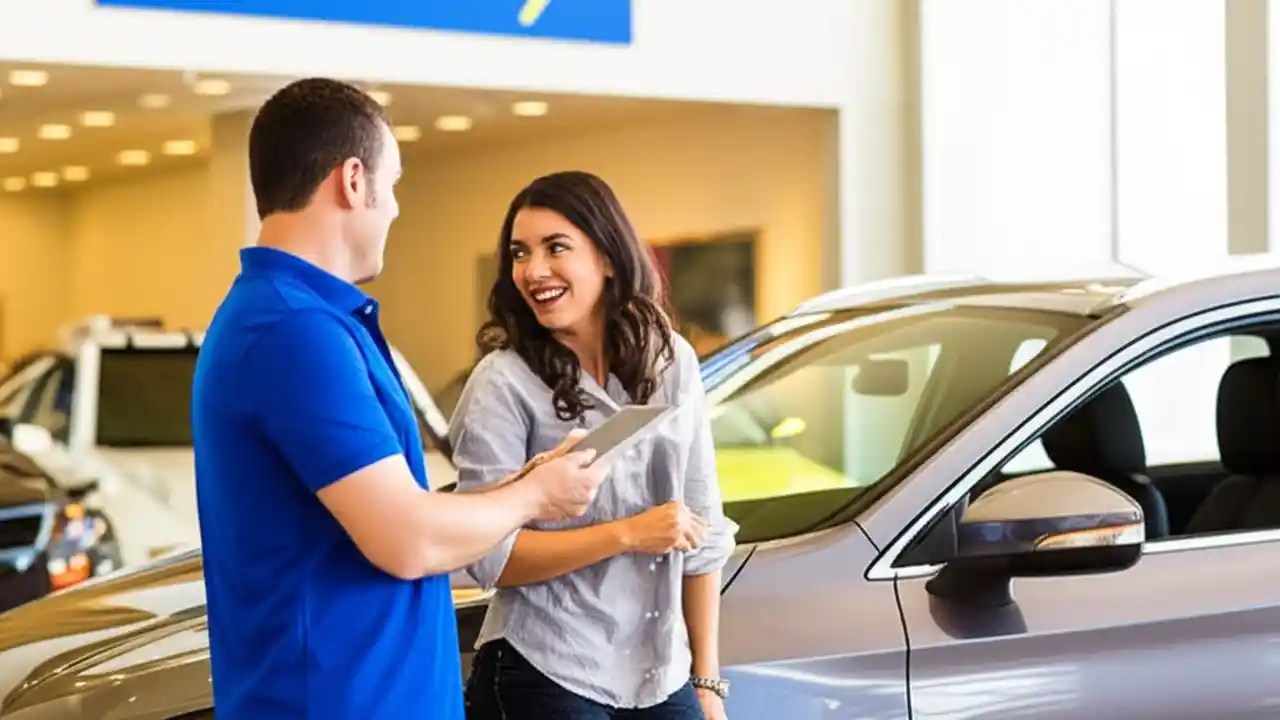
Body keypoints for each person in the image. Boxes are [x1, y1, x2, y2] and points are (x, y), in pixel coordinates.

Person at [191, 79, 607, 719]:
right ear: (353, 181)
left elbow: (390, 513)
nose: (395, 209)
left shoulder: (295, 319)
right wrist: (534, 496)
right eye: (394, 184)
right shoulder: (293, 331)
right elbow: (407, 540)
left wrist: (519, 487)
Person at [450, 171, 739, 720]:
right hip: (546, 665)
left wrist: (707, 681)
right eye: (519, 253)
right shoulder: (502, 381)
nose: (532, 271)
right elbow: (490, 555)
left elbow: (701, 527)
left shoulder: (671, 361)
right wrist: (628, 534)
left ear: (607, 257)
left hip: (659, 673)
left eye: (555, 247)